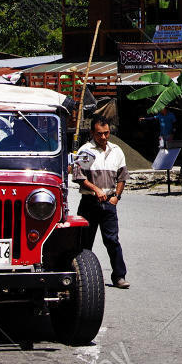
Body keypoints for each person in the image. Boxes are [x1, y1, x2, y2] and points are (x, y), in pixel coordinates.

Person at [73, 115, 129, 289]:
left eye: (106, 133)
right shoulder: (86, 151)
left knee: (112, 241)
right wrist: (96, 189)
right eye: (99, 134)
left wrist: (116, 197)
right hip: (89, 202)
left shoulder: (116, 150)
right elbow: (79, 177)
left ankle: (119, 276)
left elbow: (122, 177)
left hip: (109, 204)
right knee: (84, 242)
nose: (103, 137)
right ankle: (80, 277)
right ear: (92, 133)